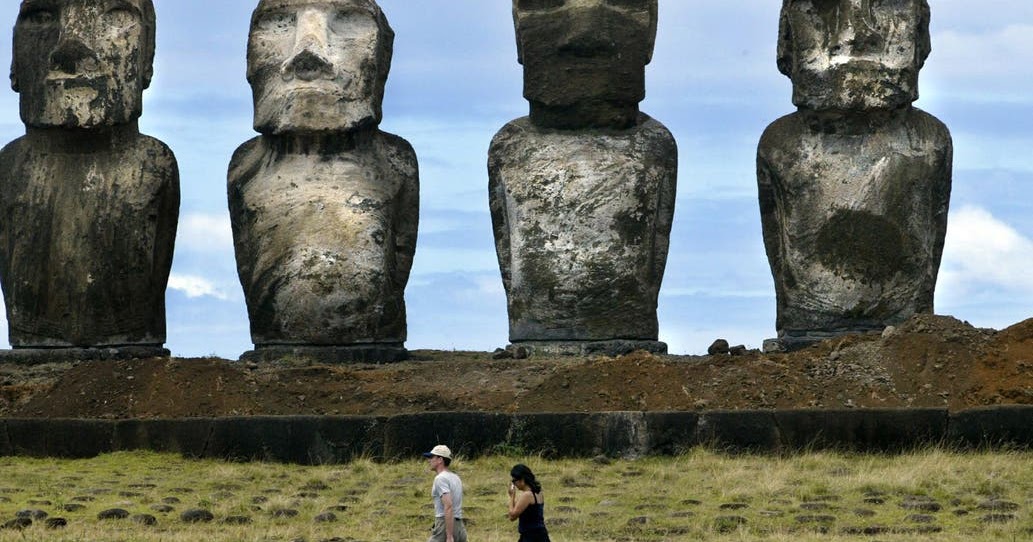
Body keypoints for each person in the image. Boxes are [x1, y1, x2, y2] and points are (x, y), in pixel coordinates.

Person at [423, 444, 466, 542]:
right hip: (460, 526)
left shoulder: (440, 478)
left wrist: (449, 536)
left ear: (440, 459)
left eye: (432, 457)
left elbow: (448, 505)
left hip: (445, 524)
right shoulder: (456, 477)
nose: (429, 460)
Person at [507, 464, 551, 542]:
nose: (514, 484)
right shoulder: (538, 493)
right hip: (541, 535)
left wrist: (512, 496)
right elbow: (518, 507)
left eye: (514, 481)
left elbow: (512, 516)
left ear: (522, 480)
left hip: (530, 537)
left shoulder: (527, 495)